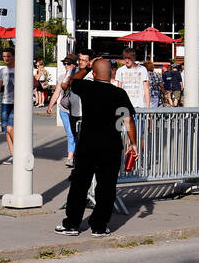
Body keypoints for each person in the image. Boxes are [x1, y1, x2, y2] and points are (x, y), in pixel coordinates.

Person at [54, 57, 138, 237]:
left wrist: (86, 68)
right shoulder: (119, 93)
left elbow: (72, 81)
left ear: (94, 73)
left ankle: (72, 224)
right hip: (111, 146)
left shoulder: (87, 87)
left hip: (87, 145)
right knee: (107, 187)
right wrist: (133, 143)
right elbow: (128, 120)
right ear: (111, 73)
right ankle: (99, 226)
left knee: (79, 185)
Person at [47, 53, 82, 167]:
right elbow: (57, 91)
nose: (66, 65)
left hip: (77, 110)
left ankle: (77, 155)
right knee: (70, 133)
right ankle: (70, 157)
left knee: (78, 134)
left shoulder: (79, 76)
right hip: (64, 109)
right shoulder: (62, 77)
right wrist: (50, 105)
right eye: (64, 63)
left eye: (69, 63)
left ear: (75, 64)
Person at [0, 49, 17, 164]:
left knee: (11, 128)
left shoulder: (19, 69)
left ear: (14, 56)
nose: (6, 58)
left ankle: (20, 150)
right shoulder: (2, 70)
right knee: (6, 130)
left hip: (17, 103)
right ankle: (13, 155)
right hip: (5, 101)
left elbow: (33, 83)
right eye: (4, 56)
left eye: (9, 56)